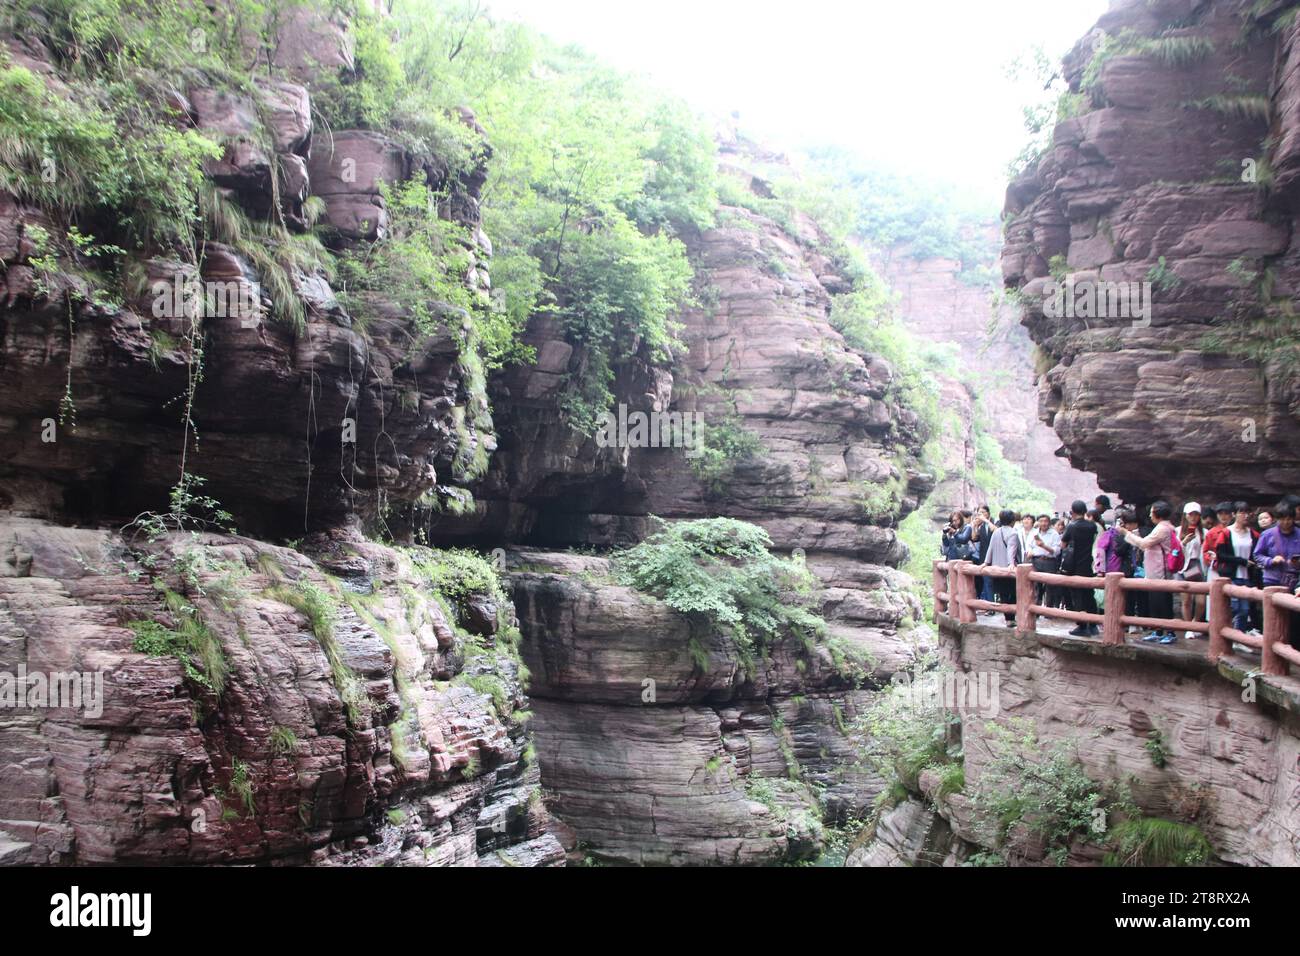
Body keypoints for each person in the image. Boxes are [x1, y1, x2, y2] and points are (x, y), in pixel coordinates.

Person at [1125, 500, 1178, 643]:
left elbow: (1144, 543)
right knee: (1157, 602)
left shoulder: (1162, 529)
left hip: (1159, 571)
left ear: (1157, 514)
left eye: (1151, 512)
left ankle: (1169, 632)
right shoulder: (1166, 527)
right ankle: (1159, 630)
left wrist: (1126, 533)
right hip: (1157, 571)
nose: (1150, 515)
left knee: (1162, 603)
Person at [1253, 500, 1300, 649]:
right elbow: (1257, 555)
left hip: (1294, 580)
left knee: (1294, 617)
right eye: (1282, 519)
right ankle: (1271, 648)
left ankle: (1292, 648)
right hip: (1272, 579)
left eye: (1289, 519)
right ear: (1277, 519)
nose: (1286, 522)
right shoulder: (1268, 535)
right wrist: (1270, 560)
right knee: (1274, 616)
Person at [1213, 502, 1259, 638]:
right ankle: (1223, 634)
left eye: (1248, 512)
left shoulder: (1254, 535)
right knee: (1233, 607)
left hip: (1247, 577)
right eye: (1241, 512)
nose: (1245, 516)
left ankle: (1238, 638)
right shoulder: (1226, 533)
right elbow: (1221, 554)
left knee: (1244, 609)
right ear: (1234, 514)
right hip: (1231, 576)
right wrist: (1242, 561)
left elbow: (1257, 553)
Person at [1062, 500, 1100, 637]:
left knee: (1077, 596)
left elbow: (1063, 544)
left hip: (1075, 565)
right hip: (1087, 564)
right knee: (1089, 595)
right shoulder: (1092, 526)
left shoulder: (1072, 526)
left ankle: (1082, 625)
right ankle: (1094, 624)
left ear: (1072, 511)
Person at [982, 509, 1023, 626]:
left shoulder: (996, 531)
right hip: (1008, 570)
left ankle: (1008, 618)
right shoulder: (1013, 533)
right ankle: (1011, 618)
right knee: (1013, 594)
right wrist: (1011, 564)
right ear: (1012, 520)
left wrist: (986, 562)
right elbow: (1011, 550)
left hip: (997, 568)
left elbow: (990, 548)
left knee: (1003, 595)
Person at [1177, 502, 1207, 639]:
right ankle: (1188, 626)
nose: (1193, 517)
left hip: (1198, 565)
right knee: (1186, 600)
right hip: (1184, 566)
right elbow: (1174, 551)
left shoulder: (1204, 532)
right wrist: (1183, 542)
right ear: (1185, 515)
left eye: (1196, 514)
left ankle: (1195, 623)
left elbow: (1205, 550)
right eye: (1190, 514)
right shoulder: (1177, 531)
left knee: (1201, 601)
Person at [1029, 513, 1062, 608]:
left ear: (1049, 523)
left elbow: (1056, 551)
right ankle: (1036, 609)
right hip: (1036, 561)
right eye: (1041, 521)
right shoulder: (1034, 533)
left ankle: (1049, 609)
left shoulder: (1054, 534)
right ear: (1038, 522)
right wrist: (1030, 551)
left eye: (1046, 521)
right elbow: (1029, 546)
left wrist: (1044, 546)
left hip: (1049, 562)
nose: (1043, 523)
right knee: (1036, 586)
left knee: (1050, 587)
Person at [970, 506, 994, 606]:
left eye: (983, 512)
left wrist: (985, 520)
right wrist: (974, 526)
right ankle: (989, 606)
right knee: (986, 582)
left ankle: (993, 606)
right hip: (984, 557)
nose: (981, 515)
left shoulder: (994, 522)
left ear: (988, 513)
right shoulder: (982, 526)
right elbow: (974, 538)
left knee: (993, 583)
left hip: (994, 557)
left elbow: (995, 530)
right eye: (979, 513)